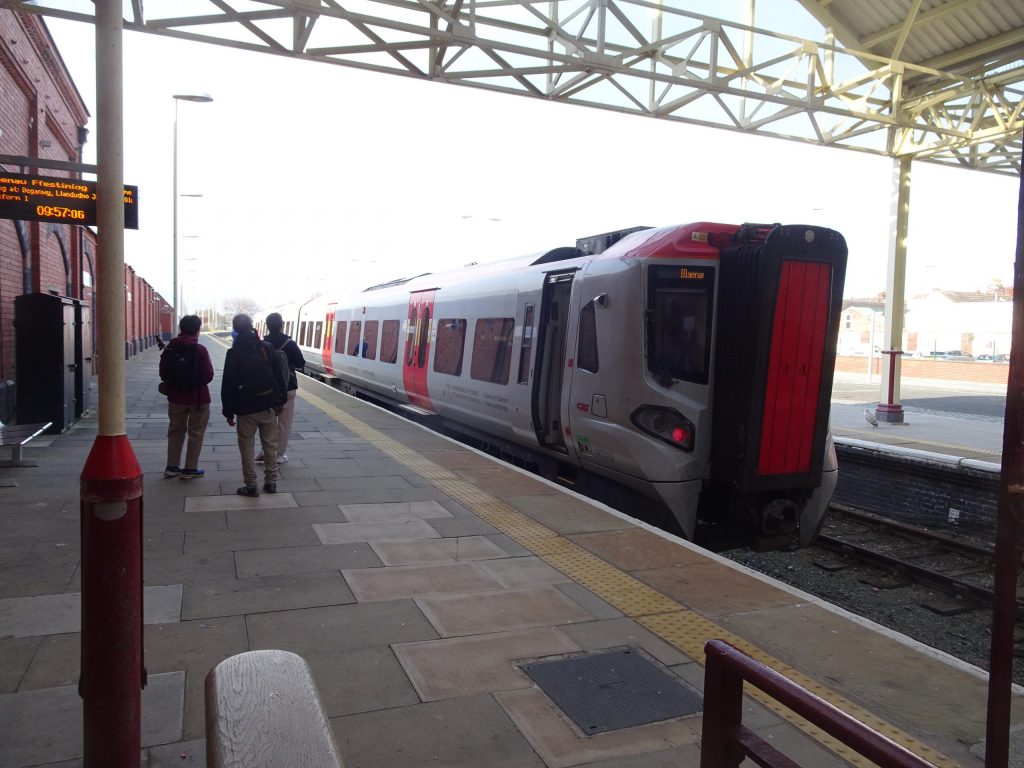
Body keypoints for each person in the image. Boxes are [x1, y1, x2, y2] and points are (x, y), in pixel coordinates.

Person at [221, 314, 287, 496]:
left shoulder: (233, 353)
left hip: (245, 408)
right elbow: (279, 376)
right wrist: (280, 401)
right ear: (251, 326)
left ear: (235, 330)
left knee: (247, 448)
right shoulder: (266, 348)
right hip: (267, 405)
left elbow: (228, 384)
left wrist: (228, 412)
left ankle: (251, 486)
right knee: (270, 446)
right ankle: (271, 482)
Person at [160, 314, 214, 479]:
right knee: (196, 432)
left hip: (176, 397)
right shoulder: (200, 350)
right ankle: (190, 469)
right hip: (198, 398)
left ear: (181, 329)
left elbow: (163, 373)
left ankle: (172, 466)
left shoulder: (170, 348)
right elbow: (209, 375)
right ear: (197, 330)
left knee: (175, 431)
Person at [257, 312, 306, 464]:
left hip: (268, 388)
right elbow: (300, 363)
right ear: (282, 325)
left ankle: (266, 451)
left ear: (267, 326)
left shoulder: (261, 344)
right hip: (288, 387)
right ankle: (279, 454)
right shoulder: (289, 344)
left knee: (268, 422)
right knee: (284, 423)